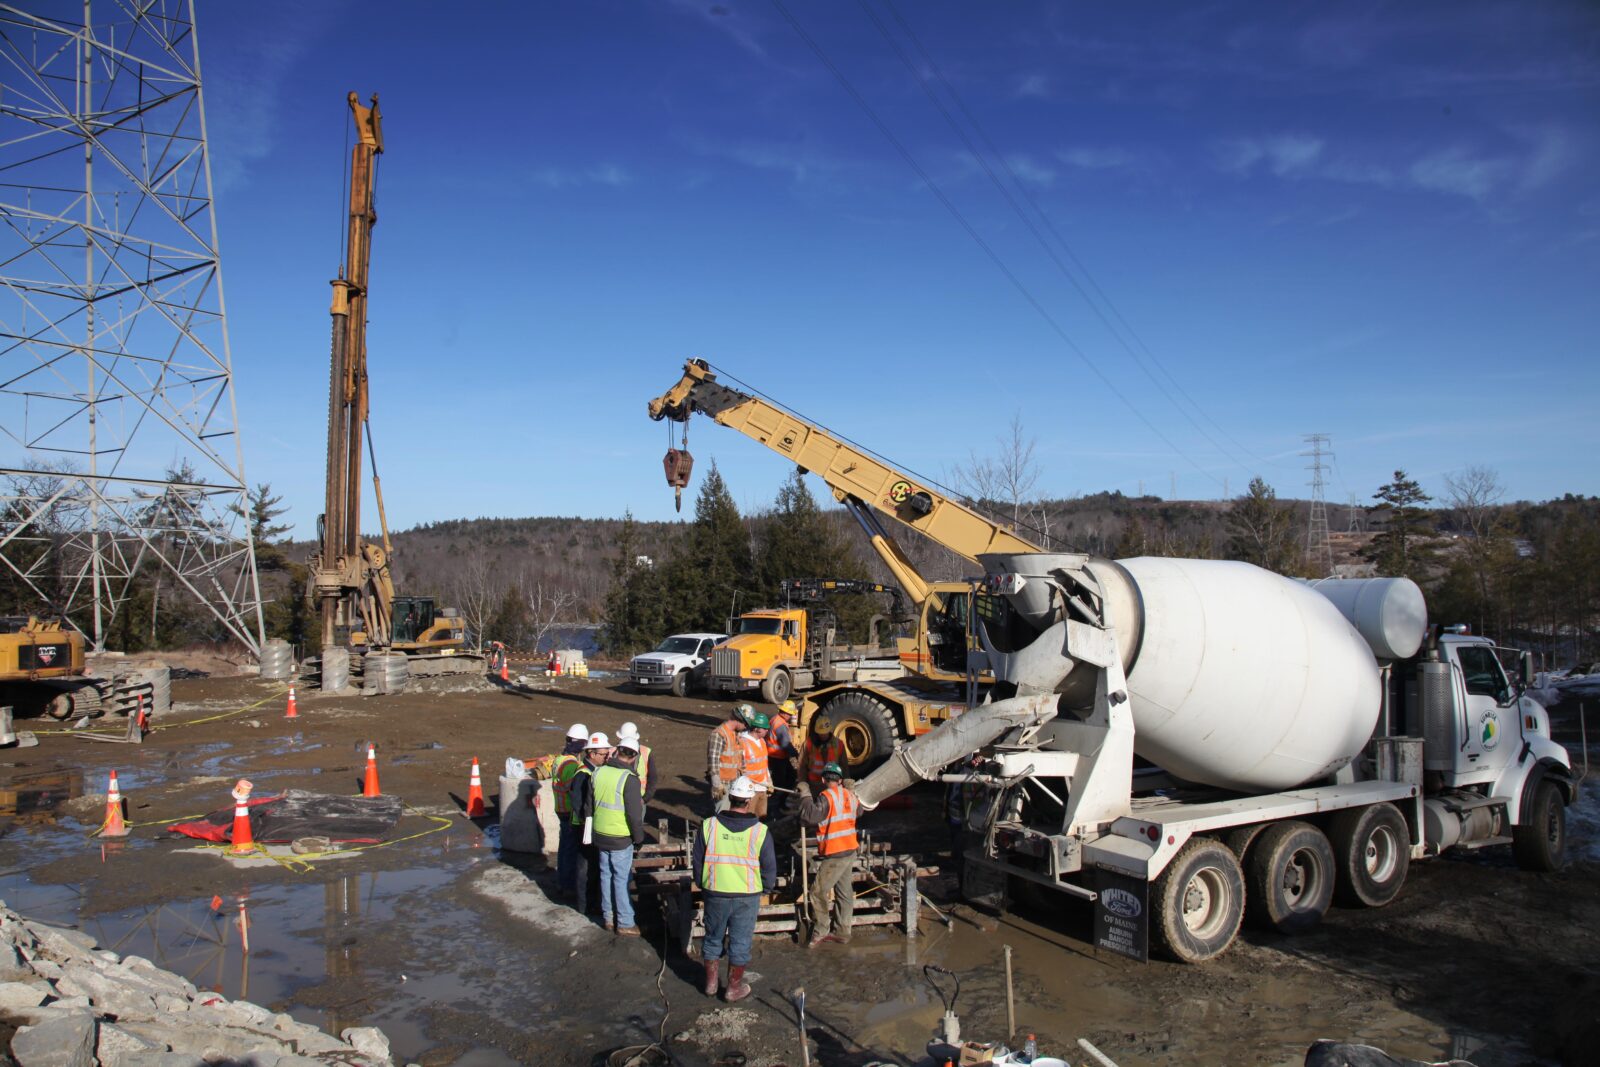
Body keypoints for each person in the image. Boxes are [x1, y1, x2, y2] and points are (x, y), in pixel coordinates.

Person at [693, 775, 776, 1002]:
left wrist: (703, 884)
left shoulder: (709, 825)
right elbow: (769, 867)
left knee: (712, 938)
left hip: (715, 891)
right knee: (740, 942)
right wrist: (766, 889)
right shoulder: (760, 831)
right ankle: (733, 988)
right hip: (746, 896)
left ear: (730, 798)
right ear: (749, 801)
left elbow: (697, 859)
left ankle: (710, 984)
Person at [798, 761, 860, 946]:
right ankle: (842, 931)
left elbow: (809, 816)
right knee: (844, 892)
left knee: (817, 892)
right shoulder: (849, 795)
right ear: (840, 780)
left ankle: (821, 930)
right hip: (850, 849)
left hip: (836, 852)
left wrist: (806, 795)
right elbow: (861, 811)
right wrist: (852, 793)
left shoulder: (826, 797)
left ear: (824, 779)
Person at [590, 742, 645, 936]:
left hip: (600, 833)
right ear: (634, 757)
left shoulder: (599, 772)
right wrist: (639, 838)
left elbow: (590, 805)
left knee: (606, 875)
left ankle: (608, 917)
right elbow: (634, 815)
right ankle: (625, 921)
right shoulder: (629, 779)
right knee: (621, 879)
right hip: (620, 836)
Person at [569, 731, 613, 917]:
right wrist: (587, 826)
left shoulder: (593, 771)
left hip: (587, 826)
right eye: (603, 754)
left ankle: (591, 902)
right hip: (583, 828)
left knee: (593, 866)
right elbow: (579, 804)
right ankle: (585, 905)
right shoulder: (583, 774)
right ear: (592, 754)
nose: (606, 758)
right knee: (586, 867)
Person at [551, 723, 589, 900]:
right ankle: (568, 885)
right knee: (570, 849)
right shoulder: (571, 765)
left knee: (564, 847)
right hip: (568, 811)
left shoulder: (559, 759)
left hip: (560, 809)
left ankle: (561, 882)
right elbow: (575, 789)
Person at [707, 704, 752, 812]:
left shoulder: (737, 735)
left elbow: (740, 759)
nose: (746, 727)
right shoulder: (719, 734)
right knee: (723, 813)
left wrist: (744, 779)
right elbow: (713, 761)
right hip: (723, 784)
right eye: (746, 724)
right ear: (739, 719)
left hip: (735, 784)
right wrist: (717, 785)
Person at [738, 712, 773, 819]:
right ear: (757, 729)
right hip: (750, 790)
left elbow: (764, 763)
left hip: (762, 787)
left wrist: (769, 780)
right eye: (765, 729)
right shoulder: (742, 742)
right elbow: (739, 768)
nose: (767, 731)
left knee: (762, 817)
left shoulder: (762, 741)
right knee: (748, 817)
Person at [616, 722, 656, 804]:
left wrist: (645, 798)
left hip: (637, 800)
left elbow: (652, 778)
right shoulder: (612, 751)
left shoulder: (645, 752)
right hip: (619, 799)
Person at [766, 700, 801, 792]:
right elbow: (786, 744)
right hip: (778, 757)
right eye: (790, 714)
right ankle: (777, 802)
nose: (790, 717)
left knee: (787, 777)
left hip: (772, 756)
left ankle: (778, 801)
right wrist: (798, 755)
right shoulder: (780, 724)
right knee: (782, 782)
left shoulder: (775, 718)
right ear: (786, 713)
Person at [805, 713, 846, 788]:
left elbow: (844, 766)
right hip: (814, 784)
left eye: (825, 732)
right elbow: (802, 765)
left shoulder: (839, 744)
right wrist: (803, 782)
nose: (823, 735)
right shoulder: (809, 744)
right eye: (821, 733)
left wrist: (846, 781)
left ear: (829, 730)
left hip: (832, 784)